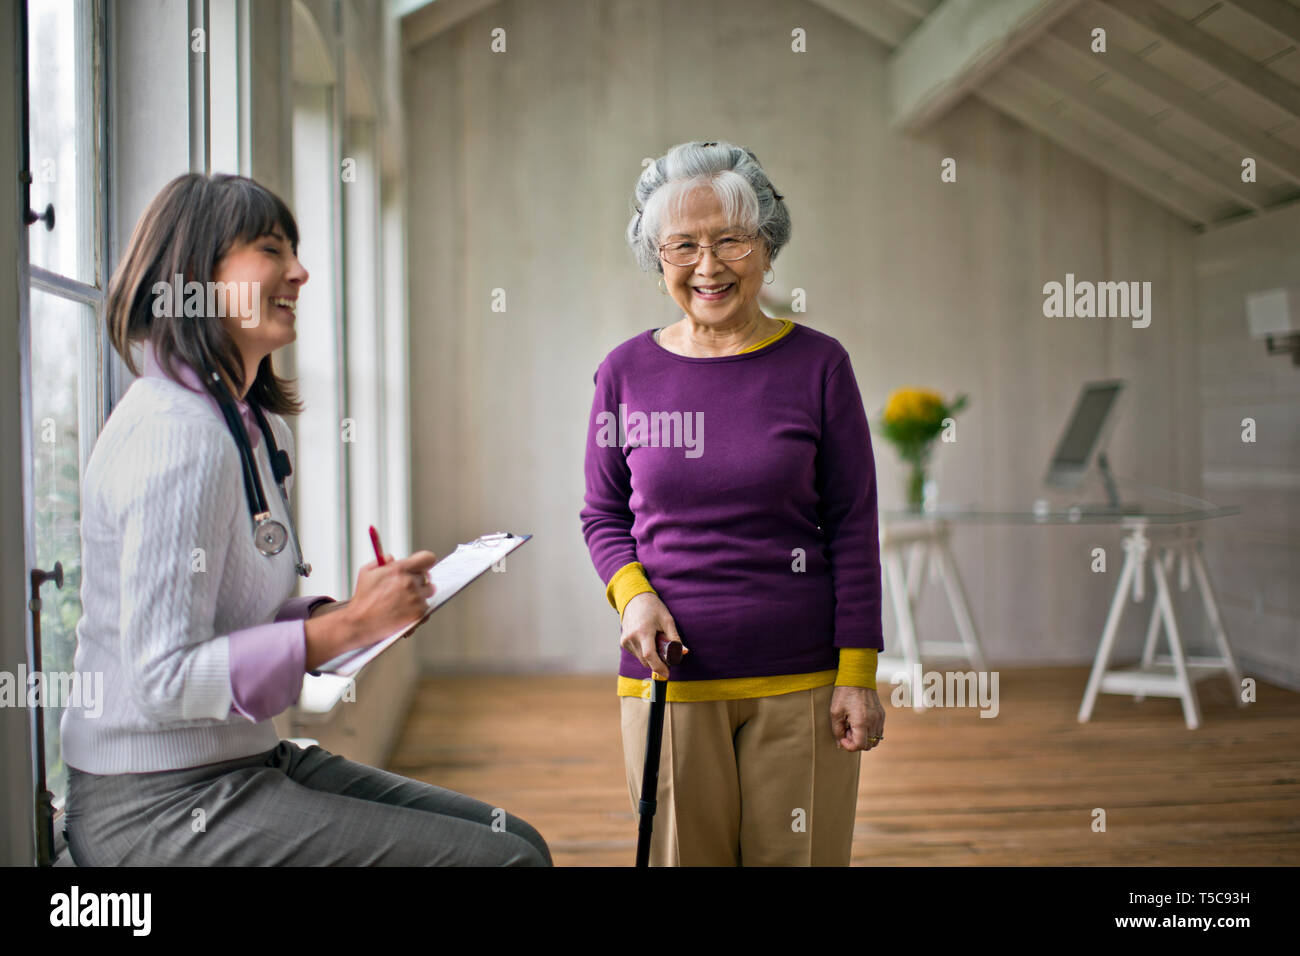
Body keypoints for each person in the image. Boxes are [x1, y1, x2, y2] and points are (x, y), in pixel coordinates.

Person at [60, 172, 550, 866]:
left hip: (241, 760)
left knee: (516, 841)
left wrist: (355, 613)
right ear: (197, 277)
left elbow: (231, 626)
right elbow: (163, 681)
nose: (300, 271)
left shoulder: (250, 428)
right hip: (152, 805)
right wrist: (346, 628)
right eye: (270, 249)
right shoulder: (174, 434)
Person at [581, 141, 886, 866]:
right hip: (672, 682)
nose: (708, 266)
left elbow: (853, 526)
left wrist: (857, 676)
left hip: (805, 681)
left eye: (731, 241)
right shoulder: (625, 371)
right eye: (683, 245)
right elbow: (603, 514)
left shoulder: (819, 364)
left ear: (767, 249)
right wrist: (633, 599)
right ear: (658, 260)